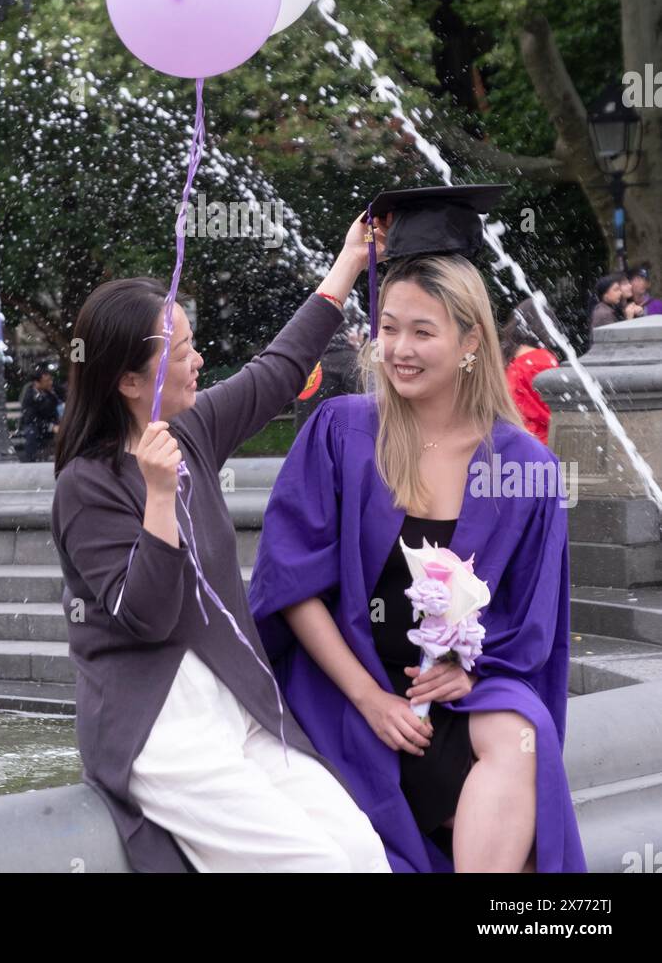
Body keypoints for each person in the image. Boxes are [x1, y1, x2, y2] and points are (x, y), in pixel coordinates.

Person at [249, 184, 587, 875]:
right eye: (389, 326)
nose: (398, 349)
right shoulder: (344, 432)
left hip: (464, 688)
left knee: (515, 729)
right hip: (350, 684)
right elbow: (290, 582)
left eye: (422, 332)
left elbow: (529, 624)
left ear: (470, 343)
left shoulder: (524, 466)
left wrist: (466, 669)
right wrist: (370, 697)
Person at [51, 213, 392, 874]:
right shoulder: (85, 487)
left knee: (358, 851)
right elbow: (145, 617)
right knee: (315, 867)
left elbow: (278, 370)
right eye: (181, 354)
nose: (199, 360)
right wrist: (157, 497)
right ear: (129, 381)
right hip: (160, 729)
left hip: (238, 708)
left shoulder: (195, 432)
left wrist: (349, 260)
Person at [500, 297, 562, 444]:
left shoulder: (507, 359)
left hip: (513, 440)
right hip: (541, 443)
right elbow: (554, 410)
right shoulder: (542, 360)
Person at [20, 366, 63, 462]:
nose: (50, 383)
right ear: (37, 383)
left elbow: (59, 406)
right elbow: (31, 419)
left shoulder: (52, 392)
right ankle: (31, 460)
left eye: (50, 380)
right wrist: (51, 426)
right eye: (47, 381)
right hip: (36, 425)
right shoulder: (30, 396)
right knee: (31, 432)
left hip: (50, 423)